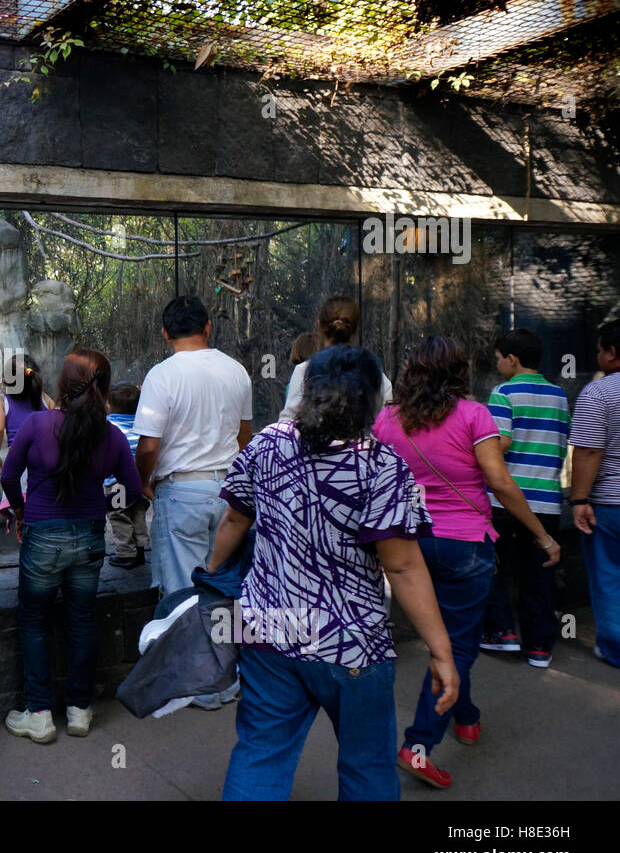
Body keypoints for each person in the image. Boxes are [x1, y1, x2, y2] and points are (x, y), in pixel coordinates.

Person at [208, 346, 459, 801]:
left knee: (260, 752)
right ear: (374, 400)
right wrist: (442, 651)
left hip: (269, 632)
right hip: (351, 645)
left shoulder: (267, 445)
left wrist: (210, 574)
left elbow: (233, 520)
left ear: (306, 392)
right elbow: (401, 564)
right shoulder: (383, 468)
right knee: (367, 768)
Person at [373, 335, 561, 789]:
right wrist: (542, 535)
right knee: (457, 642)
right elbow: (498, 480)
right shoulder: (475, 414)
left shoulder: (387, 419)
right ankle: (418, 745)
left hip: (406, 545)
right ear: (459, 371)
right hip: (463, 545)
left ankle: (468, 715)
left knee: (452, 637)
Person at [1, 349, 141, 743]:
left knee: (34, 620)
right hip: (89, 537)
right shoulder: (111, 434)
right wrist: (99, 503)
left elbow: (10, 477)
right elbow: (131, 490)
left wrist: (22, 511)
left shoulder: (37, 424)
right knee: (82, 619)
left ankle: (39, 713)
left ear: (63, 383)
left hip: (43, 534)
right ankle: (79, 709)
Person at [134, 296, 253, 597]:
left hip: (181, 493)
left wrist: (143, 481)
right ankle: (221, 643)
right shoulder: (237, 371)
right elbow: (245, 437)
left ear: (165, 332)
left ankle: (188, 643)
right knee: (224, 586)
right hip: (229, 491)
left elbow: (149, 447)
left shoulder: (161, 375)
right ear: (208, 327)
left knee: (182, 592)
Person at [480, 329, 570, 667]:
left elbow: (499, 444)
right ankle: (540, 647)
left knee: (495, 566)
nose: (498, 364)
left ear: (511, 358)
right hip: (546, 501)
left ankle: (502, 631)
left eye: (499, 358)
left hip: (507, 500)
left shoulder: (503, 392)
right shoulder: (559, 394)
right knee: (540, 573)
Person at [568, 319, 620, 668]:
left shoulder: (598, 394)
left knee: (608, 575)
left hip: (610, 504)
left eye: (600, 350)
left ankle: (615, 647)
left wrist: (579, 499)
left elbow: (587, 452)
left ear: (612, 354)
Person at [280, 296, 393, 421]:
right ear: (357, 327)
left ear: (319, 324)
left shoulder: (304, 371)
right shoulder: (376, 375)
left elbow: (288, 423)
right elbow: (384, 425)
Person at [0, 353, 54, 535]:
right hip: (45, 460)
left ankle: (25, 537)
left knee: (22, 509)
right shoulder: (45, 399)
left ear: (5, 380)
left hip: (19, 462)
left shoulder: (1, 400)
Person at [106, 382, 150, 569]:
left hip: (118, 484)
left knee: (119, 517)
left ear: (110, 406)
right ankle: (140, 549)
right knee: (138, 514)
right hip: (140, 483)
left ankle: (125, 554)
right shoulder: (143, 426)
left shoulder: (109, 427)